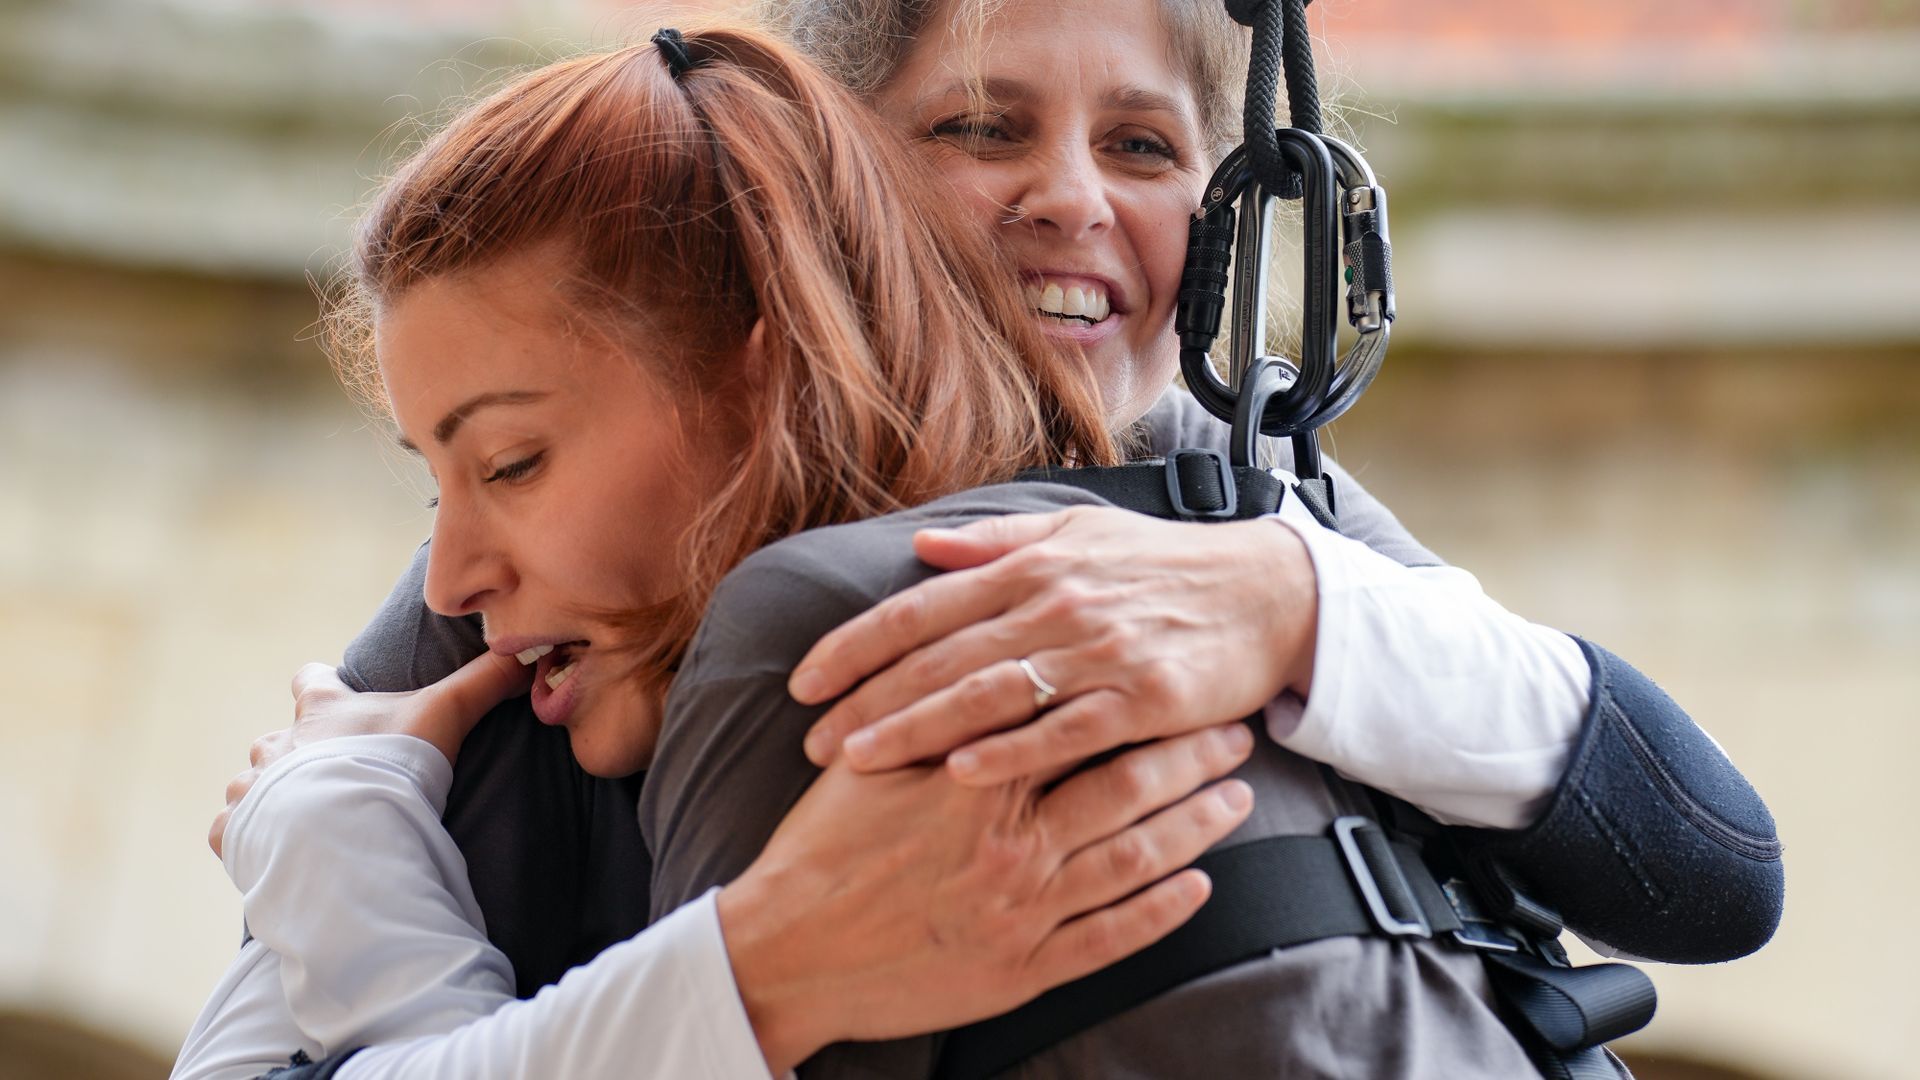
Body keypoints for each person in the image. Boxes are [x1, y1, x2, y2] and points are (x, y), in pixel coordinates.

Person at [184, 0, 1783, 1074]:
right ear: (821, 180)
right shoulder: (559, 572)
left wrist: (1300, 611)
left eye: (1145, 148)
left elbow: (1716, 871)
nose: (1072, 198)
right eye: (980, 130)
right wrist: (343, 848)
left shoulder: (1234, 492)